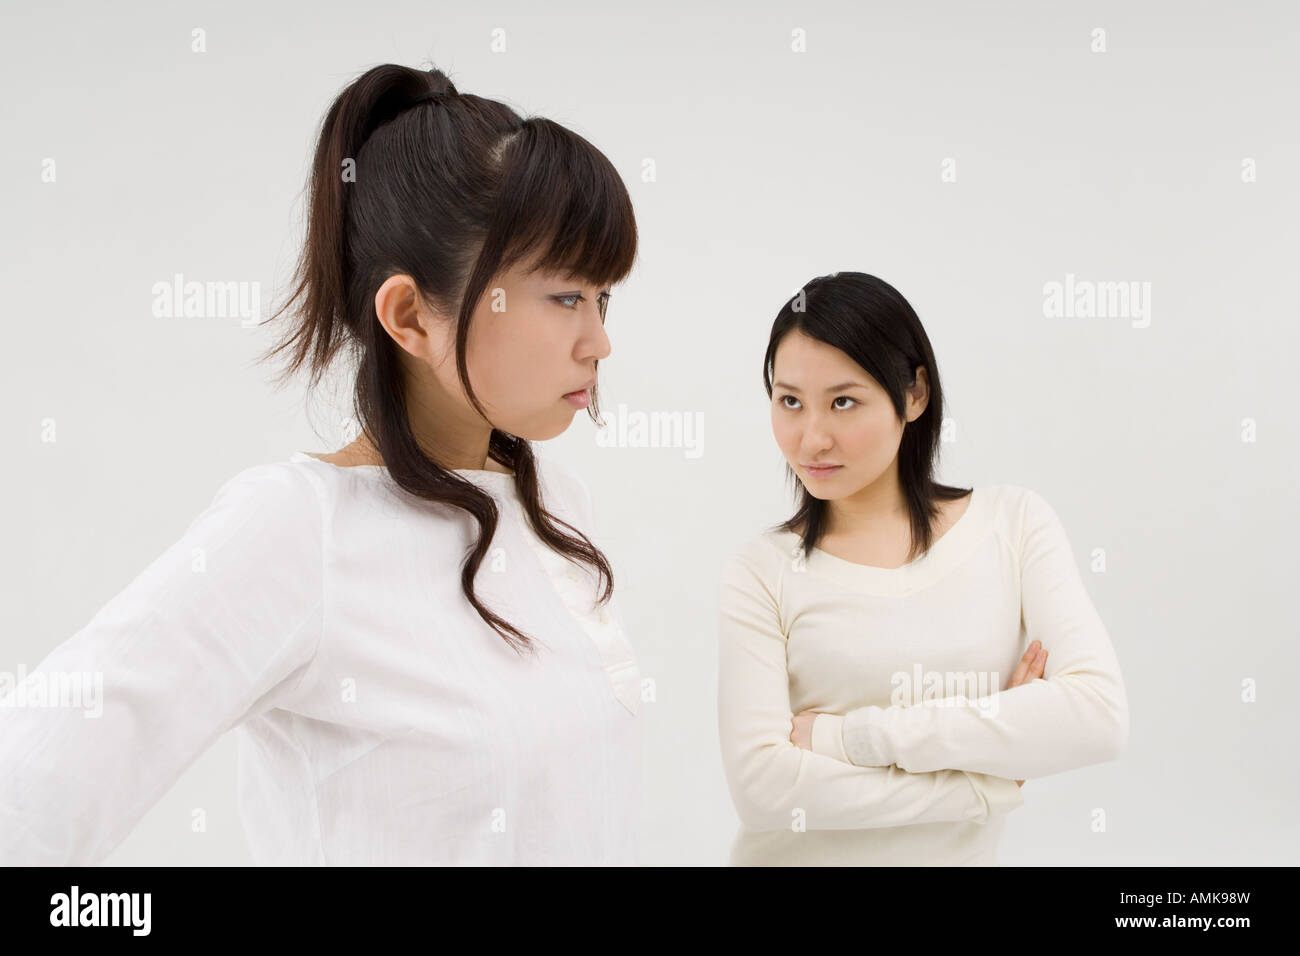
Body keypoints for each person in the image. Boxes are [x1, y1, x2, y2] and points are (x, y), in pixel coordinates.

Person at [0, 63, 642, 865]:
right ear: (409, 315)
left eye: (604, 296)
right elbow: (31, 785)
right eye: (564, 297)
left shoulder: (553, 502)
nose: (600, 342)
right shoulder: (300, 528)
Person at [716, 272, 1129, 865]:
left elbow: (1098, 718)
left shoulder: (1013, 526)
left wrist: (846, 737)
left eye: (843, 401)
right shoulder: (762, 572)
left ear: (914, 394)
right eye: (789, 401)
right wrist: (980, 778)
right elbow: (764, 791)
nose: (811, 438)